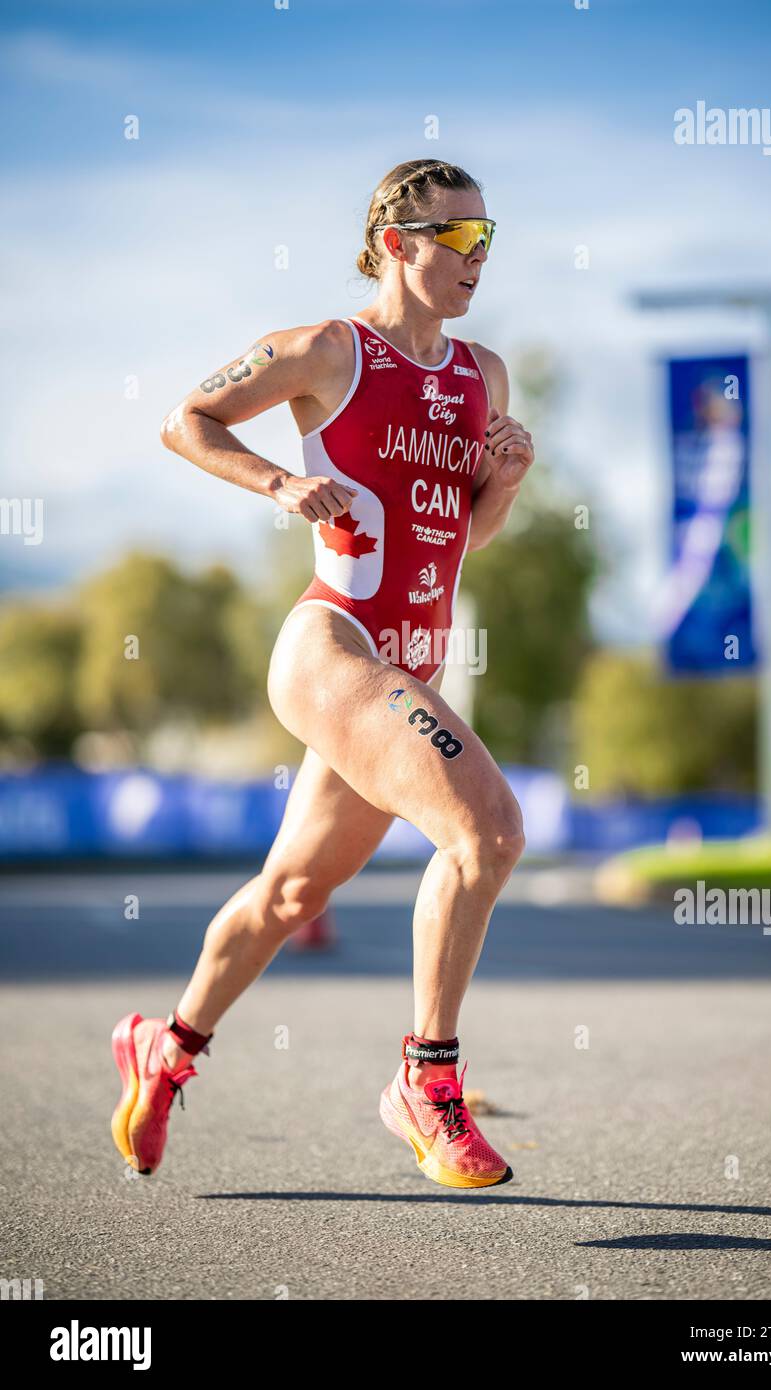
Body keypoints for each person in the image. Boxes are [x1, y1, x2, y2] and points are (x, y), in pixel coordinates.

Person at [110, 158, 535, 1189]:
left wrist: (506, 483)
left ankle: (163, 1048)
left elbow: (459, 539)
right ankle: (424, 1082)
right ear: (399, 244)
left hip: (408, 664)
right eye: (461, 238)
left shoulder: (482, 375)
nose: (481, 258)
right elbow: (185, 420)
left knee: (291, 890)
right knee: (485, 832)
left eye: (489, 237)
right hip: (334, 647)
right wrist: (278, 479)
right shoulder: (321, 350)